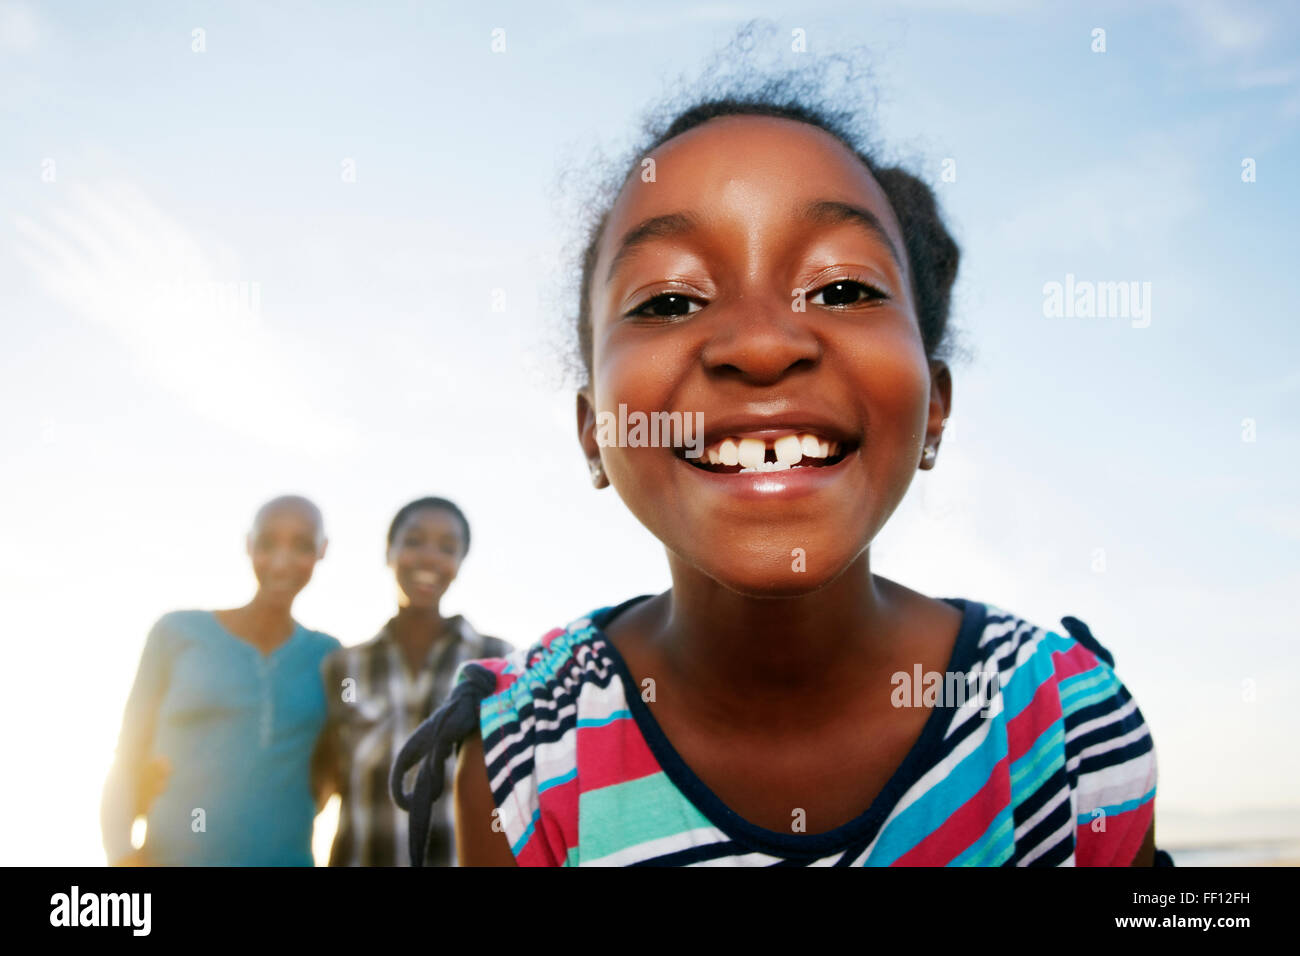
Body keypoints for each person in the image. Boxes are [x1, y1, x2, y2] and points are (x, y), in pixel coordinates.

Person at [393, 56, 1166, 867]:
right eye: (668, 301)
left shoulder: (1065, 729)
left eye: (843, 289)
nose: (761, 344)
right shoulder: (527, 758)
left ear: (934, 407)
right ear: (594, 431)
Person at [100, 495, 341, 866]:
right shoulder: (177, 633)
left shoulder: (329, 656)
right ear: (249, 545)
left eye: (302, 545)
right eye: (268, 544)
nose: (282, 562)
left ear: (322, 550)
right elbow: (128, 756)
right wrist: (121, 854)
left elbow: (335, 764)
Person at [317, 497, 510, 866]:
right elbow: (324, 776)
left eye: (447, 548)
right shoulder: (344, 668)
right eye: (414, 541)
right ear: (388, 552)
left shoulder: (496, 662)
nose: (429, 557)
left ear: (459, 563)